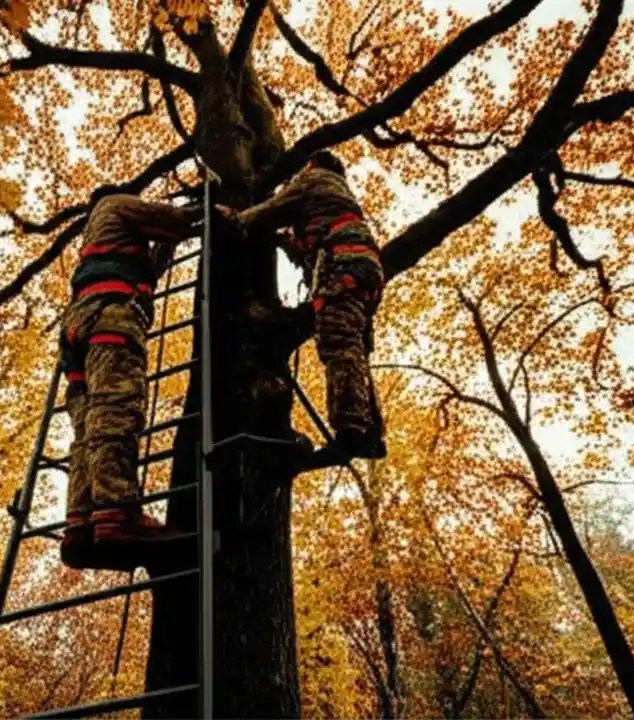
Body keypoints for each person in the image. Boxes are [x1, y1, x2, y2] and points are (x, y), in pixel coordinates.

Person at [58, 194, 199, 569]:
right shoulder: (116, 204)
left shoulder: (104, 240)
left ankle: (80, 526)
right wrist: (207, 206)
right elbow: (174, 219)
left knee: (88, 428)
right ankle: (118, 515)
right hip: (111, 316)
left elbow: (152, 265)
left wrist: (168, 244)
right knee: (116, 410)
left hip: (81, 325)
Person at [229, 150, 387, 460]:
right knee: (353, 346)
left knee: (339, 343)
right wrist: (287, 242)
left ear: (311, 164)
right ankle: (370, 432)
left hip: (340, 264)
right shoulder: (338, 194)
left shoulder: (312, 179)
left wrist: (236, 220)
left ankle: (351, 432)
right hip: (363, 266)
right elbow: (308, 236)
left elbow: (273, 209)